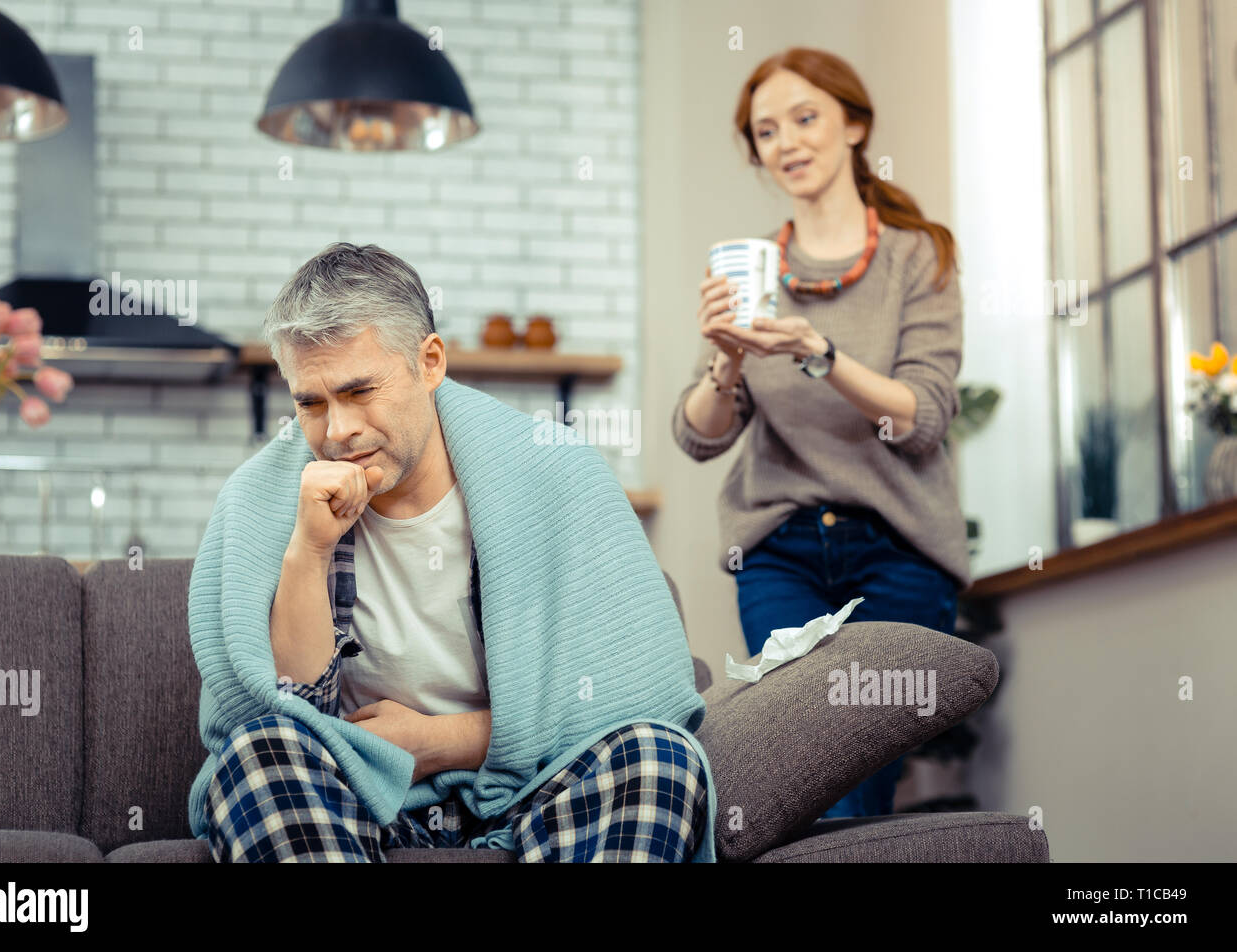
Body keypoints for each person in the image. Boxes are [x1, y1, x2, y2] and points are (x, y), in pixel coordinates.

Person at [196, 243, 713, 862]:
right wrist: (308, 551)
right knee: (255, 755)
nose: (336, 431)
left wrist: (443, 741)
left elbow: (636, 701)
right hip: (366, 801)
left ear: (430, 361)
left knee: (660, 758)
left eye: (360, 390)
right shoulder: (263, 500)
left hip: (541, 794)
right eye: (310, 402)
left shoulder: (553, 472)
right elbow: (287, 711)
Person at [671, 48, 971, 819]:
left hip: (900, 554)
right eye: (767, 131)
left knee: (852, 796)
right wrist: (726, 361)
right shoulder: (755, 270)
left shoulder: (919, 255)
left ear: (855, 125)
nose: (788, 142)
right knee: (797, 791)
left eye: (806, 118)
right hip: (782, 551)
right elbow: (699, 435)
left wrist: (818, 355)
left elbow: (921, 417)